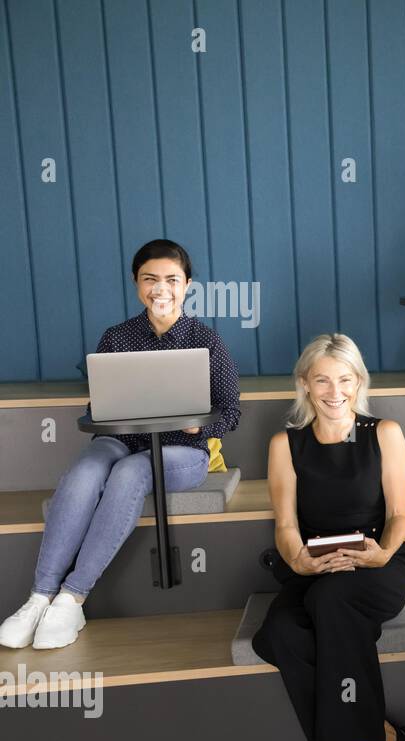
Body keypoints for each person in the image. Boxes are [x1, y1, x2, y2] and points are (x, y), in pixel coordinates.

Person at [0, 239, 241, 651]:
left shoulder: (207, 340)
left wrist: (192, 427)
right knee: (87, 469)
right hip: (121, 440)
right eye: (150, 279)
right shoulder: (117, 336)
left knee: (131, 471)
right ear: (136, 284)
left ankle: (72, 597)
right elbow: (98, 407)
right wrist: (110, 408)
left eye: (171, 280)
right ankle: (39, 596)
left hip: (183, 453)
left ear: (186, 285)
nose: (160, 289)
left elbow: (231, 413)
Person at [251, 334, 405, 741]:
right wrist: (298, 560)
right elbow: (285, 525)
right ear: (305, 384)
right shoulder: (285, 444)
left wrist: (381, 554)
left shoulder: (384, 432)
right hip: (314, 565)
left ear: (358, 382)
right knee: (280, 632)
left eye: (345, 379)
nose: (334, 390)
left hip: (377, 561)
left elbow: (399, 517)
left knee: (331, 603)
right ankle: (383, 733)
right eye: (322, 379)